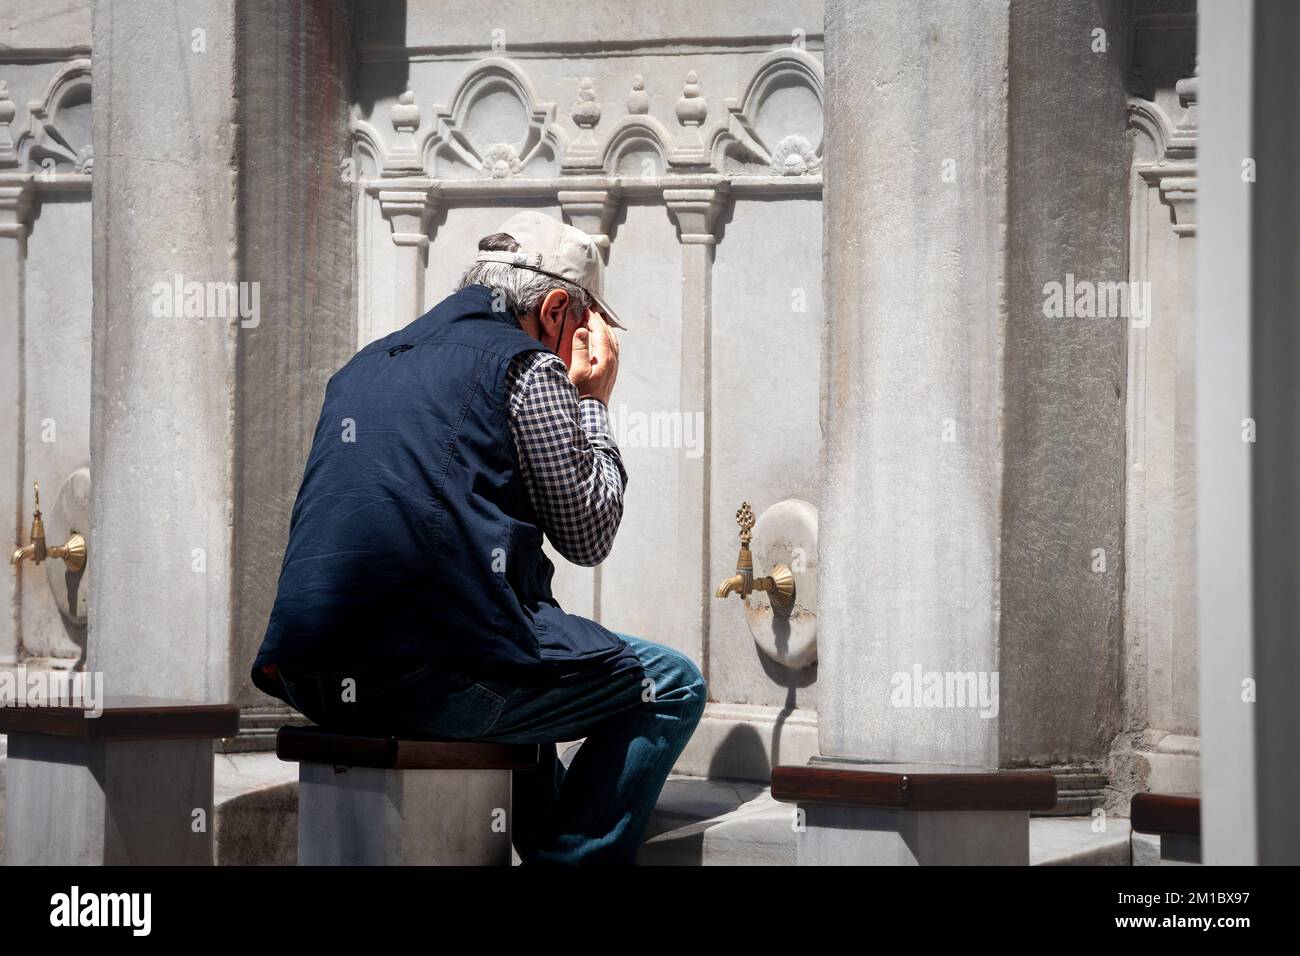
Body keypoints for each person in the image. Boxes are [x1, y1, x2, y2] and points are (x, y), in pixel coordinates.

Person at [250, 210, 706, 865]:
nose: (584, 345)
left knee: (539, 657)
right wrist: (594, 405)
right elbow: (589, 531)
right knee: (672, 684)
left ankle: (551, 848)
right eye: (584, 326)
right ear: (555, 310)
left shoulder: (366, 364)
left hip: (308, 673)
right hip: (425, 680)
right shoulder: (527, 367)